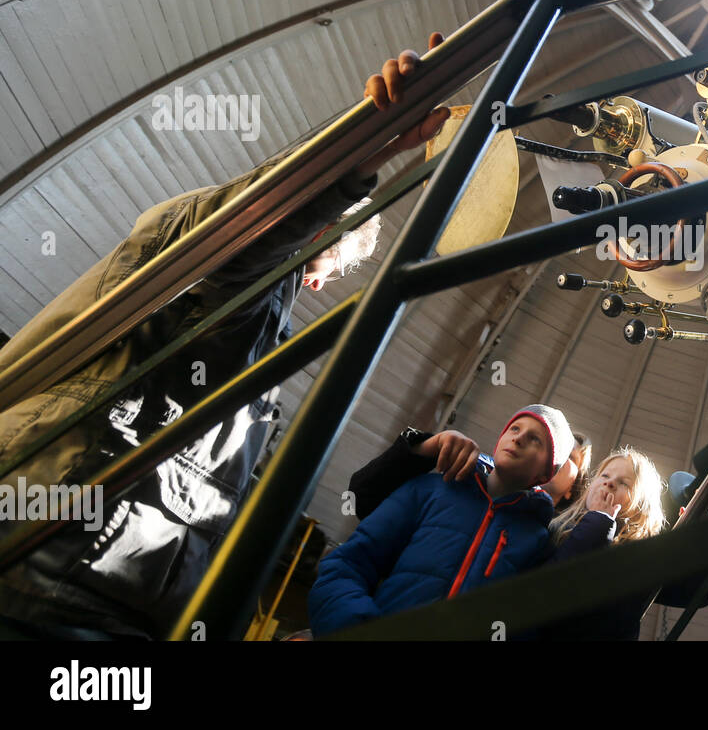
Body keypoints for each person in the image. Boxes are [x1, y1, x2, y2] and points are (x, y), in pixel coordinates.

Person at [0, 32, 454, 640]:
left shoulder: (262, 328)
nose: (318, 256)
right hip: (54, 569)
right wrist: (362, 154)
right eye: (327, 237)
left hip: (111, 589)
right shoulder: (220, 254)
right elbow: (245, 236)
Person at [307, 404, 576, 637]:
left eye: (535, 439)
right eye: (515, 429)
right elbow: (347, 564)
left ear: (547, 471)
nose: (518, 439)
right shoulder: (431, 489)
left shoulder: (538, 541)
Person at [536, 447, 708, 641]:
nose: (610, 482)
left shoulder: (643, 558)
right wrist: (598, 521)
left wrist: (703, 539)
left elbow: (695, 591)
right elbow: (550, 591)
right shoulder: (555, 529)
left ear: (642, 506)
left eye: (624, 483)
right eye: (604, 475)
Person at [346, 426, 591, 520]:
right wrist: (425, 448)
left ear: (573, 488)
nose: (520, 439)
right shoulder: (461, 476)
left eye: (569, 458)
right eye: (515, 429)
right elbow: (363, 499)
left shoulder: (549, 542)